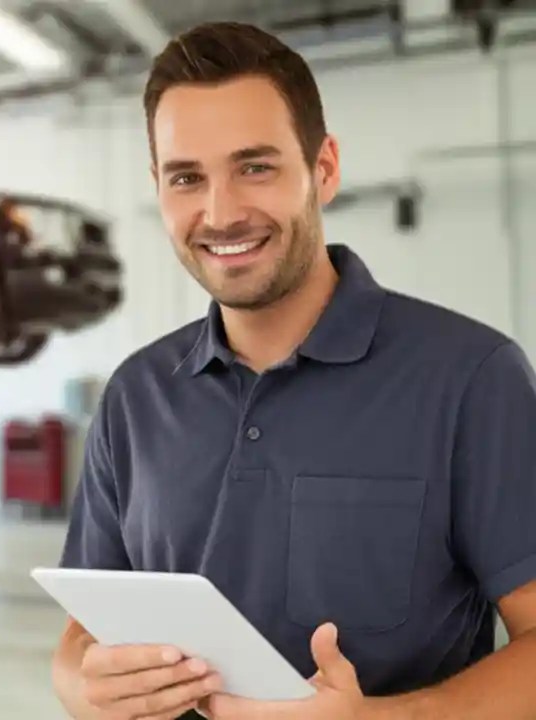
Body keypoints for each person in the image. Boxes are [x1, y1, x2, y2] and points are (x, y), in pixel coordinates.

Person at [51, 20, 536, 720]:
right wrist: (84, 685)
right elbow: (79, 635)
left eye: (255, 167)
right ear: (159, 187)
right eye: (187, 178)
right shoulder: (135, 396)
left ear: (324, 168)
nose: (220, 213)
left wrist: (378, 719)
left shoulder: (470, 378)